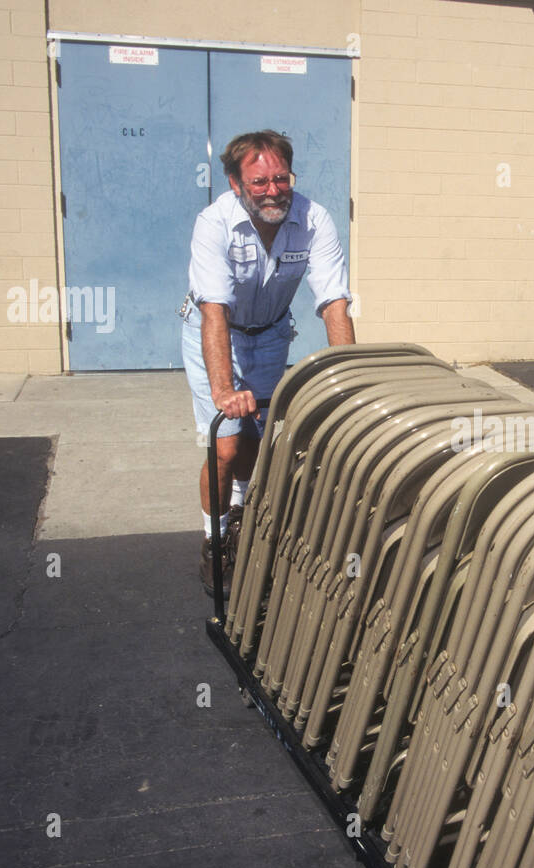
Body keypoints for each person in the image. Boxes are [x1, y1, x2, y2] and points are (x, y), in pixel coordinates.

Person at [182, 130, 355, 597]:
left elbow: (334, 303)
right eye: (259, 182)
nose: (274, 190)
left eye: (281, 178)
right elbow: (214, 311)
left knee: (256, 439)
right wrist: (222, 389)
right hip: (221, 334)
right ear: (237, 185)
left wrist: (347, 386)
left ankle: (240, 517)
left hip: (273, 332)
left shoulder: (314, 220)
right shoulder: (213, 223)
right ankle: (214, 541)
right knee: (225, 445)